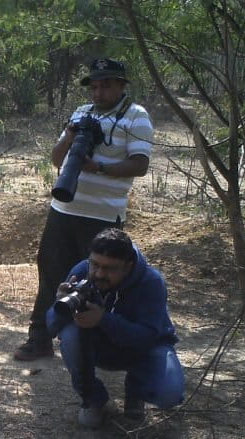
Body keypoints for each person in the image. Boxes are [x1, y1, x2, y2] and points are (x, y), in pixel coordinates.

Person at [14, 58, 153, 360]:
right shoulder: (81, 112)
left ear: (121, 85)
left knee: (99, 280)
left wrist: (99, 167)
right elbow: (56, 159)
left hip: (103, 215)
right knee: (50, 274)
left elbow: (140, 164)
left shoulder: (137, 116)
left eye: (106, 86)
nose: (98, 93)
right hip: (63, 209)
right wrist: (69, 136)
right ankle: (39, 339)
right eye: (95, 87)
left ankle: (92, 344)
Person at [46, 228, 184, 428]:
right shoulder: (81, 271)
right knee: (70, 334)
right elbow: (51, 327)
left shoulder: (151, 282)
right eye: (95, 264)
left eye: (110, 268)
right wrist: (60, 306)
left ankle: (136, 390)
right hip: (100, 346)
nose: (99, 274)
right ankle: (93, 399)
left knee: (168, 394)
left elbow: (148, 337)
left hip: (144, 349)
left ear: (128, 266)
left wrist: (103, 319)